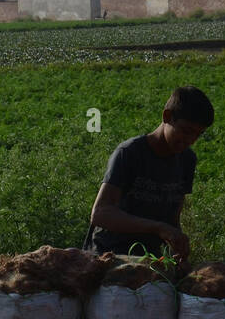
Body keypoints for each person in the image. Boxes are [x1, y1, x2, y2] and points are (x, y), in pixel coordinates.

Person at [84, 85, 214, 264]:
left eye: (198, 135)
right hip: (109, 258)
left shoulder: (187, 160)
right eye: (186, 131)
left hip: (150, 260)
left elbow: (173, 217)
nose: (190, 140)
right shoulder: (129, 153)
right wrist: (157, 227)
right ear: (167, 116)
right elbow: (100, 213)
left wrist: (176, 243)